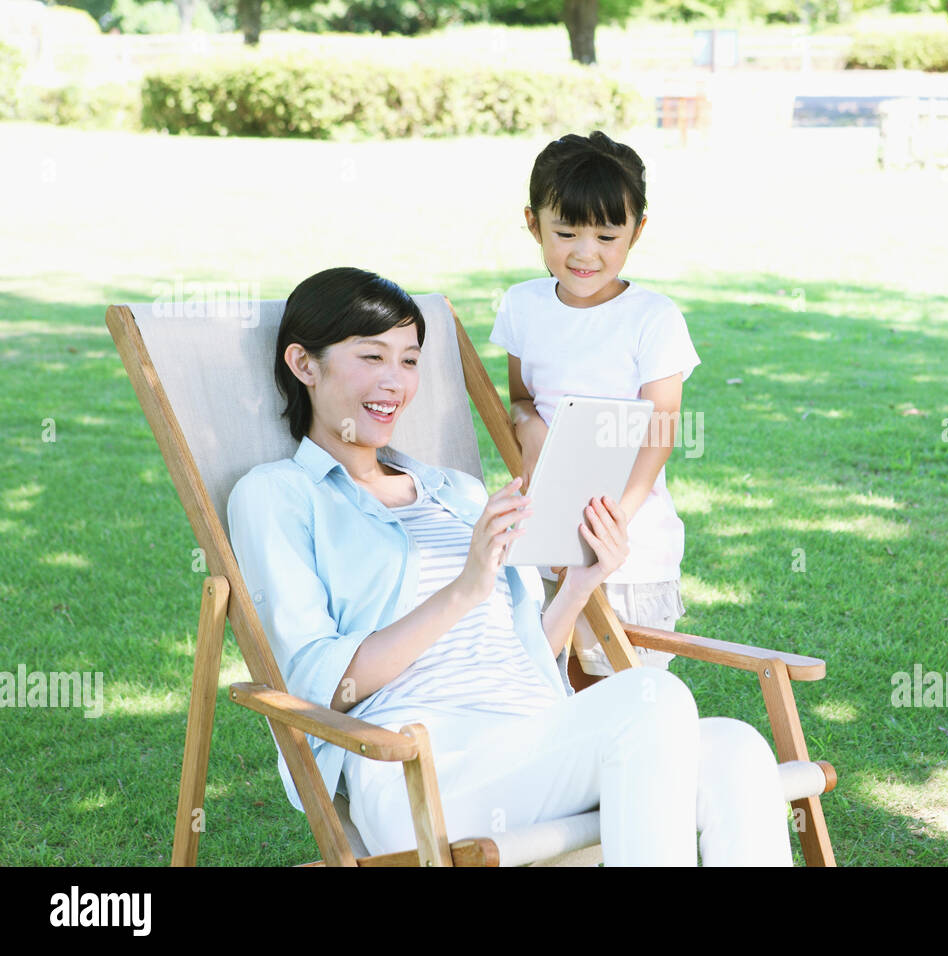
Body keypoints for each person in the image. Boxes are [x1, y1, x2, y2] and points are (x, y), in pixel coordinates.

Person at [226, 266, 792, 865]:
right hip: (419, 766)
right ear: (303, 364)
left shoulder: (458, 493)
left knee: (736, 747)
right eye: (372, 357)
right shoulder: (278, 495)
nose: (395, 382)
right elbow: (319, 685)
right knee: (652, 698)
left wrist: (580, 585)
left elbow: (519, 654)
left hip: (530, 739)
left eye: (411, 361)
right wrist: (465, 590)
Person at [491, 131, 699, 678]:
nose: (586, 253)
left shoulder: (653, 318)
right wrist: (527, 424)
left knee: (626, 695)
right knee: (546, 685)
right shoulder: (523, 305)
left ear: (638, 231)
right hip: (543, 535)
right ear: (533, 223)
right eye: (565, 232)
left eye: (608, 235)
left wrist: (616, 524)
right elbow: (520, 396)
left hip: (629, 542)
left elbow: (660, 431)